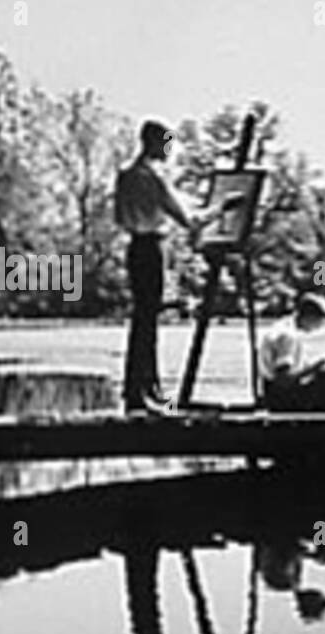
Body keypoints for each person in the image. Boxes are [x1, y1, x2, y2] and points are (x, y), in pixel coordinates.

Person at [114, 119, 236, 414]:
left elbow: (118, 217)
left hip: (134, 248)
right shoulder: (152, 178)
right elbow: (190, 220)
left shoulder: (125, 176)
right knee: (147, 321)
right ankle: (142, 392)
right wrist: (223, 207)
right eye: (167, 143)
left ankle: (144, 390)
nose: (170, 149)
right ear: (153, 143)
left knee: (143, 318)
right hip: (152, 248)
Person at [257, 293, 325, 412]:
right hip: (281, 398)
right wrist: (314, 369)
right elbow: (283, 379)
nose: (320, 325)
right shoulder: (288, 336)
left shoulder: (284, 327)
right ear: (309, 316)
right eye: (320, 320)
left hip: (273, 393)